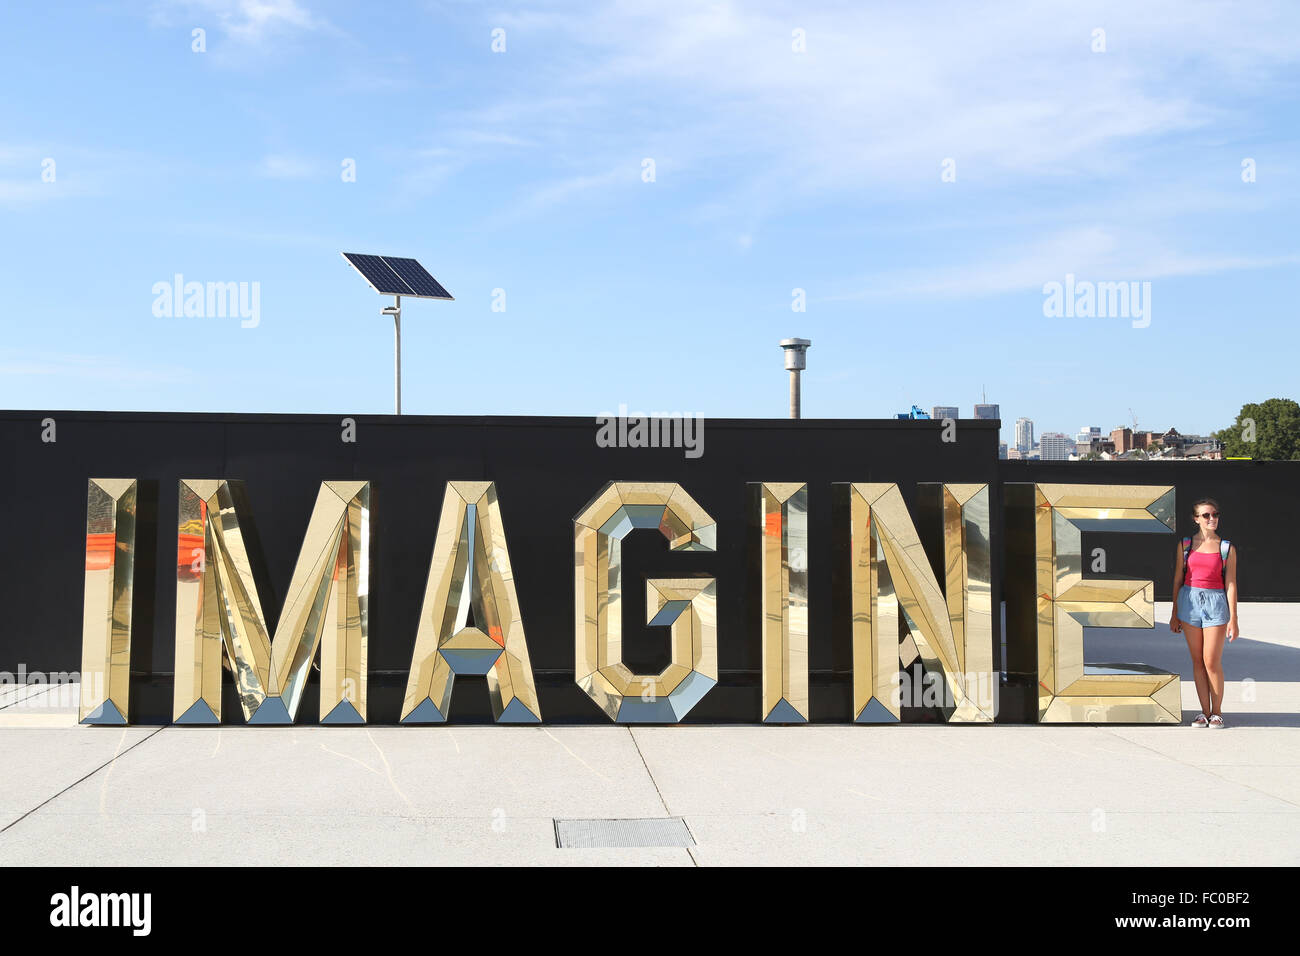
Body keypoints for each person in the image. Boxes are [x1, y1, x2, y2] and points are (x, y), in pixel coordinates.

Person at [1169, 498, 1239, 728]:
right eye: (1207, 515)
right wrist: (1174, 612)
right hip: (1189, 602)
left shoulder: (1226, 547)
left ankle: (1217, 713)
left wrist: (1233, 619)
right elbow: (1178, 579)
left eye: (1215, 514)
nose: (1212, 519)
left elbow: (1230, 583)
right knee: (1197, 661)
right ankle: (1204, 712)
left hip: (1215, 603)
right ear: (1196, 518)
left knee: (1211, 661)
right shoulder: (1186, 544)